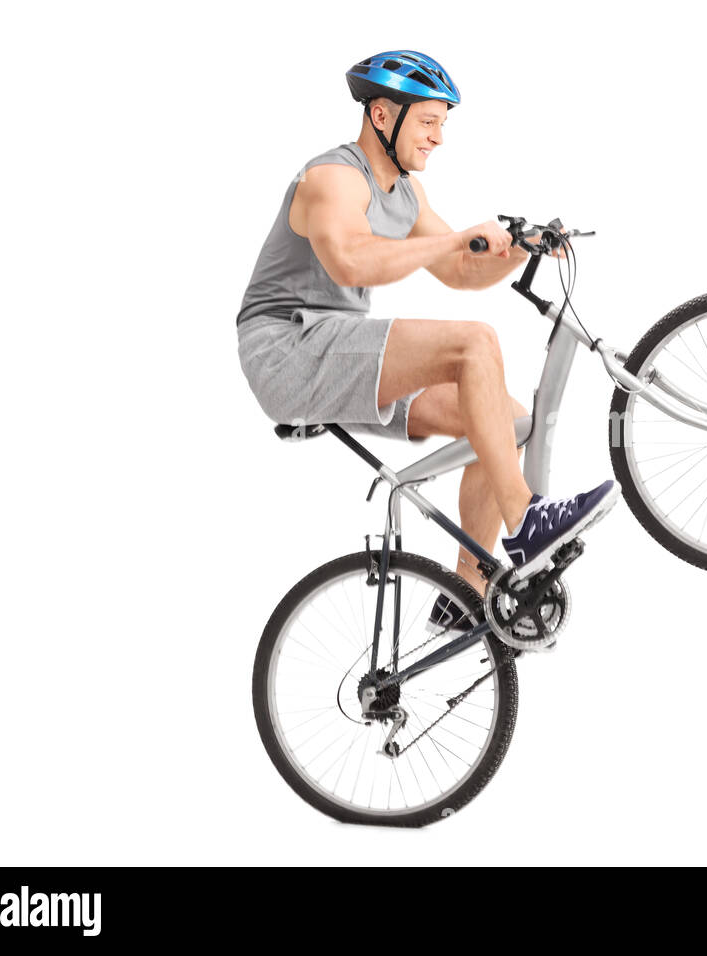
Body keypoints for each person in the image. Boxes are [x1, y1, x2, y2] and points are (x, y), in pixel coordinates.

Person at [236, 50, 617, 631]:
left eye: (444, 124)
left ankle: (467, 590)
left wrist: (520, 249)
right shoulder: (332, 178)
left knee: (504, 418)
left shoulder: (405, 194)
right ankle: (526, 521)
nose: (439, 137)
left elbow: (462, 270)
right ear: (383, 115)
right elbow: (350, 260)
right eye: (428, 121)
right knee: (475, 344)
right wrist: (456, 240)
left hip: (338, 344)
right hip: (286, 346)